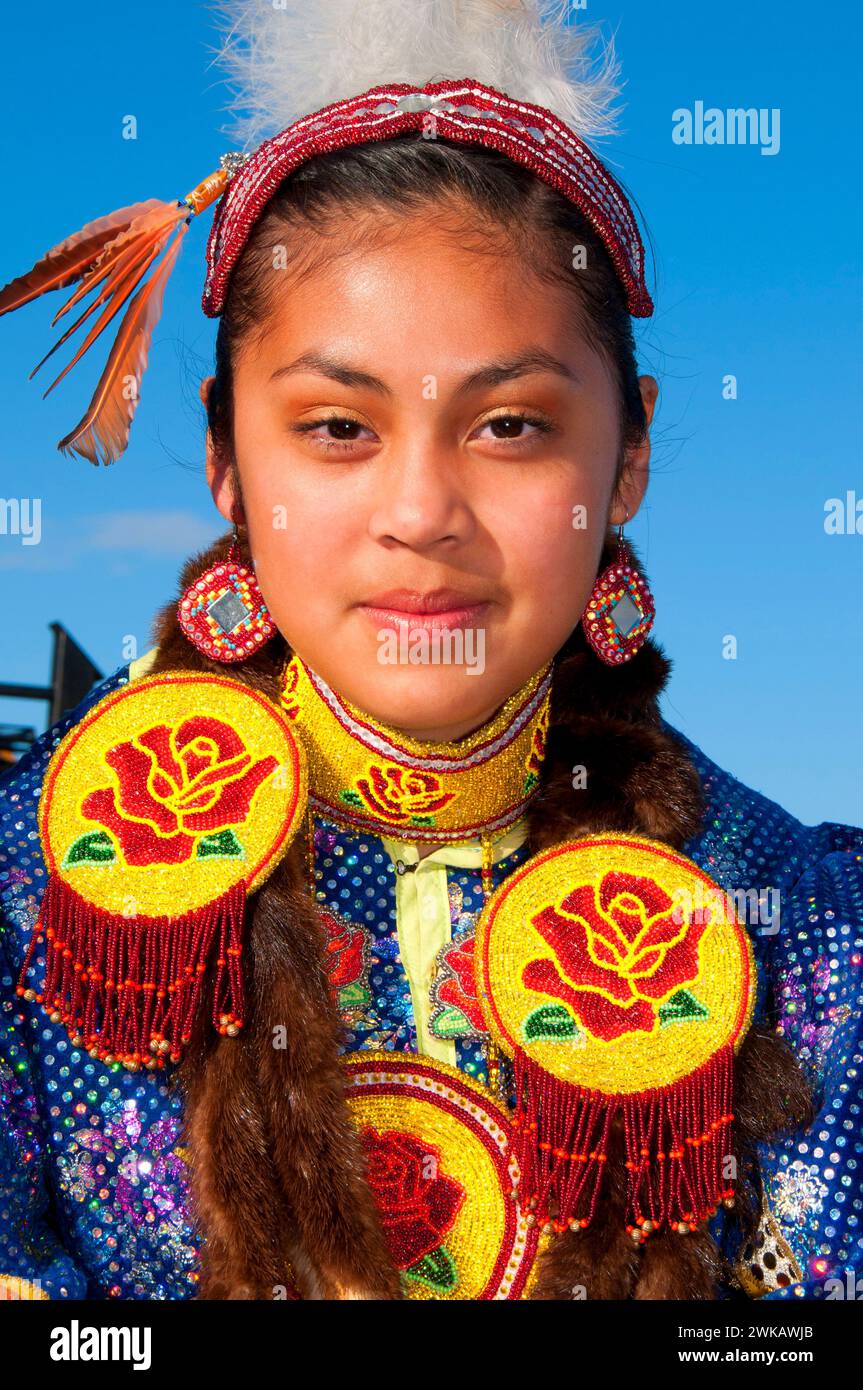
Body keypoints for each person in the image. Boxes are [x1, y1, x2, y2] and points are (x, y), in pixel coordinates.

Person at [0, 1, 860, 1302]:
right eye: (338, 427)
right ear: (228, 459)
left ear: (624, 455)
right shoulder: (29, 904)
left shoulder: (800, 932)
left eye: (510, 424)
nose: (420, 514)